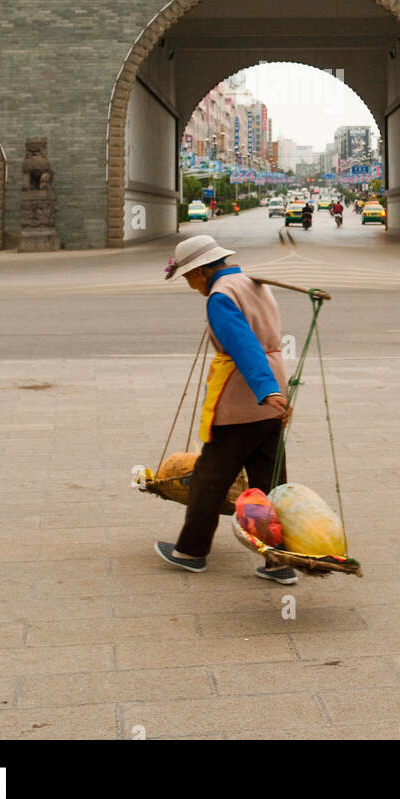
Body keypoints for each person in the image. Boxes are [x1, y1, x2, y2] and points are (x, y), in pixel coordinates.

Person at [156, 234, 297, 584]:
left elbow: (244, 345)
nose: (191, 285)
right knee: (270, 482)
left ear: (202, 270)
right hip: (273, 392)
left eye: (189, 277)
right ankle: (280, 561)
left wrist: (264, 390)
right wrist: (274, 391)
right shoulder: (252, 283)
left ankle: (191, 551)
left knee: (209, 478)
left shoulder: (221, 297)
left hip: (243, 399)